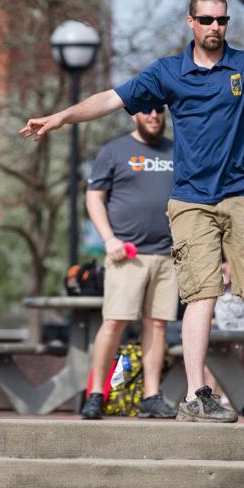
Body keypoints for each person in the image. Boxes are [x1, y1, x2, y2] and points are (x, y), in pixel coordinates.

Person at [22, 0, 244, 423]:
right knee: (200, 295)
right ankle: (197, 393)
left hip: (242, 193)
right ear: (191, 22)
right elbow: (109, 99)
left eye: (221, 21)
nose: (215, 28)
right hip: (190, 200)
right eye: (206, 20)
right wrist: (59, 117)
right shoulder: (168, 73)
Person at [81, 105, 179, 419]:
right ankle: (96, 392)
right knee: (114, 322)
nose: (154, 116)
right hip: (127, 255)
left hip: (167, 254)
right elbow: (94, 196)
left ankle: (151, 394)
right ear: (135, 115)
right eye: (147, 111)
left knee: (158, 324)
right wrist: (109, 238)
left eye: (159, 111)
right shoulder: (114, 151)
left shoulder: (176, 151)